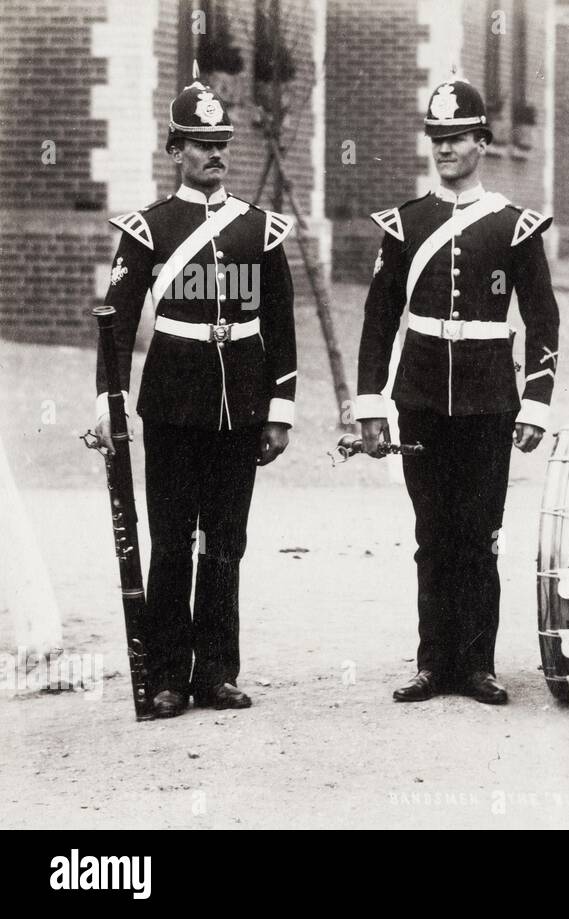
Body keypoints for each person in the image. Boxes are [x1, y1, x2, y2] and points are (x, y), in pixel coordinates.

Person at [93, 74, 297, 717]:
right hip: (174, 401)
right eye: (200, 143)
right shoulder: (150, 229)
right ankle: (166, 676)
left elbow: (281, 326)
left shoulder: (259, 231)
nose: (214, 153)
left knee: (226, 539)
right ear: (175, 148)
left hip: (241, 400)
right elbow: (118, 322)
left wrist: (280, 410)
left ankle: (215, 672)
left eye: (221, 143)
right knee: (172, 537)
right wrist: (109, 397)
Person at [355, 79, 559, 706]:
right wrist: (371, 405)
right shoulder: (407, 223)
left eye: (457, 138)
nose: (445, 149)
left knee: (479, 533)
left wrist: (537, 400)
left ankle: (477, 663)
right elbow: (379, 318)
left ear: (482, 142)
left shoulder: (513, 226)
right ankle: (431, 662)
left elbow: (543, 319)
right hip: (418, 395)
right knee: (431, 532)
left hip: (489, 398)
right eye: (437, 139)